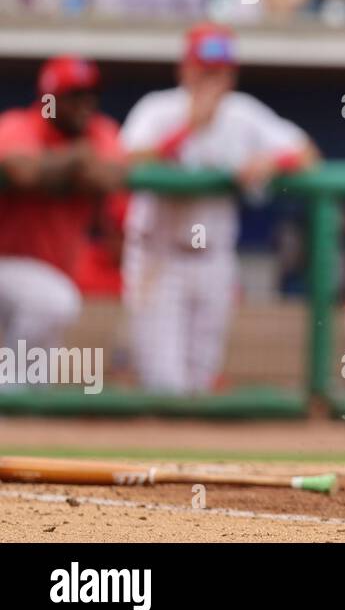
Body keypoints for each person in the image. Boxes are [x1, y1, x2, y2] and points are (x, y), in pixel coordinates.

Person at [117, 24, 317, 393]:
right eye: (204, 69)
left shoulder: (242, 114)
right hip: (158, 258)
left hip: (214, 261)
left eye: (221, 71)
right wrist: (188, 128)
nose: (213, 80)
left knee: (200, 384)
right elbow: (124, 159)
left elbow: (307, 153)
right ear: (185, 69)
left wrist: (274, 161)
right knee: (165, 386)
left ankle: (188, 452)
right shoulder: (159, 109)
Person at [0, 57, 123, 354]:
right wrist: (76, 159)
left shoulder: (99, 130)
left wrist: (58, 166)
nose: (85, 104)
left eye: (90, 95)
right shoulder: (20, 124)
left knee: (39, 373)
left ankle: (14, 392)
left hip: (51, 271)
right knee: (54, 302)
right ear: (48, 100)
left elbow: (112, 175)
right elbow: (22, 171)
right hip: (6, 263)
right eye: (73, 96)